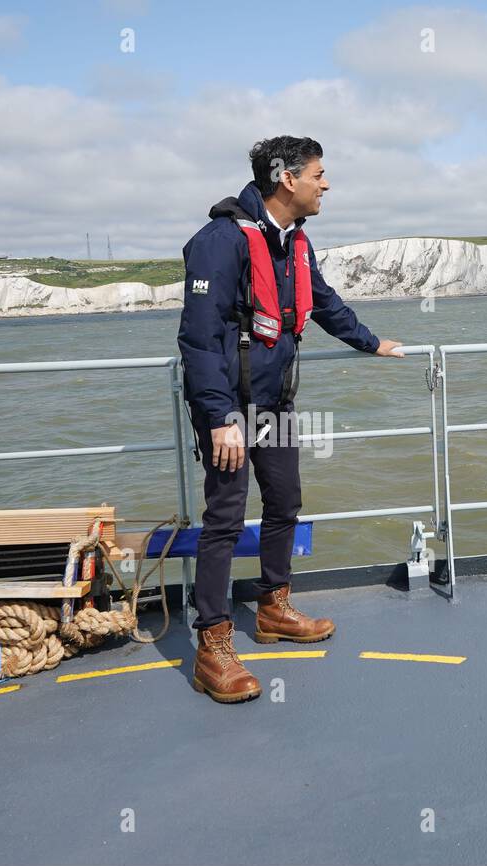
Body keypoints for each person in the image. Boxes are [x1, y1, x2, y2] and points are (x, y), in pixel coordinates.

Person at [177, 135, 404, 703]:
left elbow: (324, 304)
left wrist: (372, 343)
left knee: (284, 502)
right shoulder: (219, 242)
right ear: (286, 178)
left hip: (274, 403)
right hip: (228, 410)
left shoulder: (293, 242)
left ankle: (274, 608)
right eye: (319, 174)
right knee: (225, 519)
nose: (325, 184)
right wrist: (218, 417)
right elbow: (200, 340)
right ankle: (213, 644)